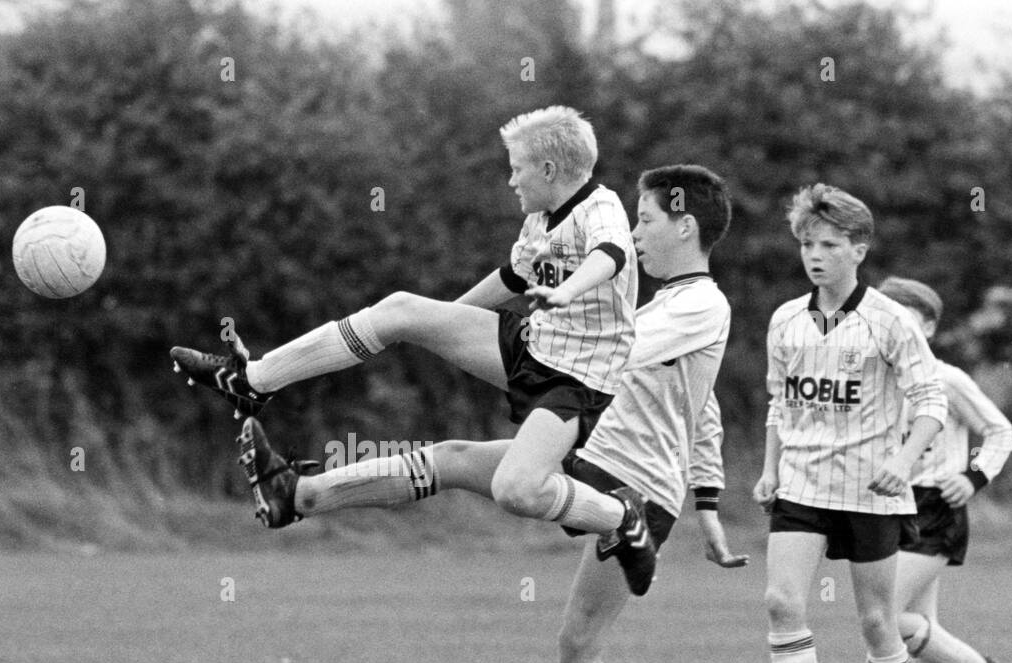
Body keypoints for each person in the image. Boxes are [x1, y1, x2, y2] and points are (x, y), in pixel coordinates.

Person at [236, 165, 745, 663]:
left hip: (635, 482)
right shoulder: (660, 299)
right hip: (597, 464)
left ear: (687, 225)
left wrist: (529, 324)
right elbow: (702, 411)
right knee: (455, 462)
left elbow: (619, 353)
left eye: (645, 218)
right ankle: (298, 495)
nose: (635, 230)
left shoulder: (701, 302)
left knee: (576, 633)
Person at [172, 105, 658, 592]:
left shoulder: (601, 208)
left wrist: (569, 292)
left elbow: (609, 256)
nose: (511, 180)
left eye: (517, 168)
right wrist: (440, 319)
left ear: (549, 170)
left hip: (581, 382)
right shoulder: (540, 218)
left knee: (515, 489)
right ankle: (251, 383)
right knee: (404, 310)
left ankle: (621, 515)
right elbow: (514, 277)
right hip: (534, 349)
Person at [753, 184, 948, 663]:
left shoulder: (890, 322)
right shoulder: (786, 318)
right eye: (807, 243)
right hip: (803, 487)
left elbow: (930, 402)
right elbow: (778, 404)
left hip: (871, 493)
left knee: (874, 621)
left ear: (858, 249)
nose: (815, 255)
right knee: (782, 603)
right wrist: (768, 468)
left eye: (830, 245)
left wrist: (904, 459)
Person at [875, 277, 1012, 663]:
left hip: (936, 511)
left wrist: (973, 477)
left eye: (904, 317)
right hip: (892, 508)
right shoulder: (879, 380)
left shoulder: (946, 378)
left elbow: (1000, 433)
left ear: (929, 328)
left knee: (884, 618)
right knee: (920, 633)